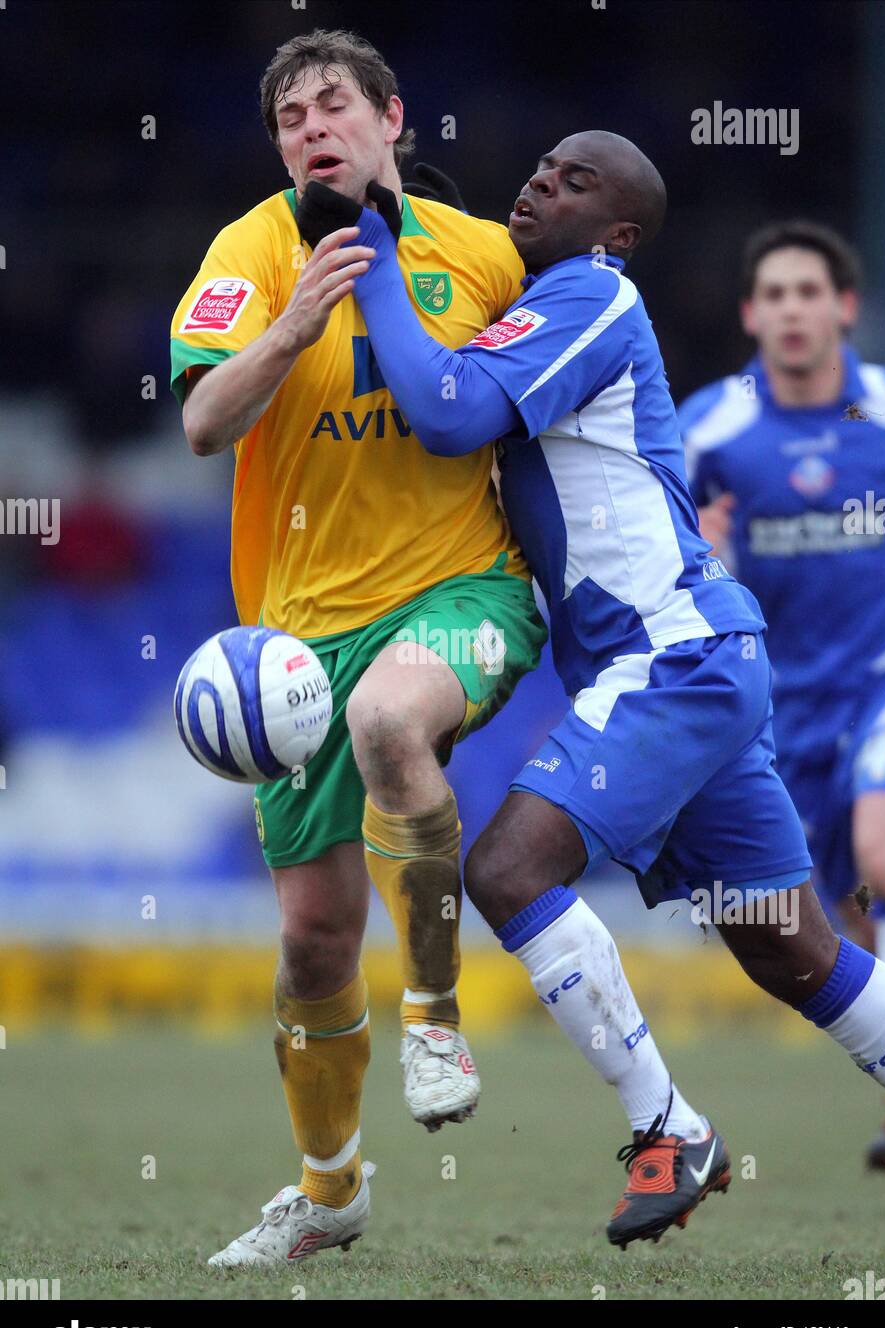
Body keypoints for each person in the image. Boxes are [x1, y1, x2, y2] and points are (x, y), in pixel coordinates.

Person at [314, 128, 885, 1248]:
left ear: (619, 233)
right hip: (701, 661)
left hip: (669, 661)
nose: (540, 180)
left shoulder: (590, 294)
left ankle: (668, 1126)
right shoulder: (543, 309)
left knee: (506, 865)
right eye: (539, 165)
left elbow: (442, 409)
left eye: (576, 180)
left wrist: (375, 246)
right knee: (792, 947)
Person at [170, 28, 549, 1265]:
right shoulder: (250, 252)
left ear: (393, 117)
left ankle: (438, 1009)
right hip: (298, 642)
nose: (310, 128)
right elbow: (202, 424)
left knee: (394, 722)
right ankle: (330, 1191)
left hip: (462, 590)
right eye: (289, 117)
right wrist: (292, 325)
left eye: (333, 104)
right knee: (314, 938)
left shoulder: (484, 254)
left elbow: (569, 380)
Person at [679, 222, 885, 1168]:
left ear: (845, 306)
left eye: (809, 292)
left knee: (884, 861)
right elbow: (663, 554)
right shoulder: (709, 426)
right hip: (775, 706)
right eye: (773, 295)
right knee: (830, 914)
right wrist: (706, 549)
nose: (792, 310)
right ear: (749, 315)